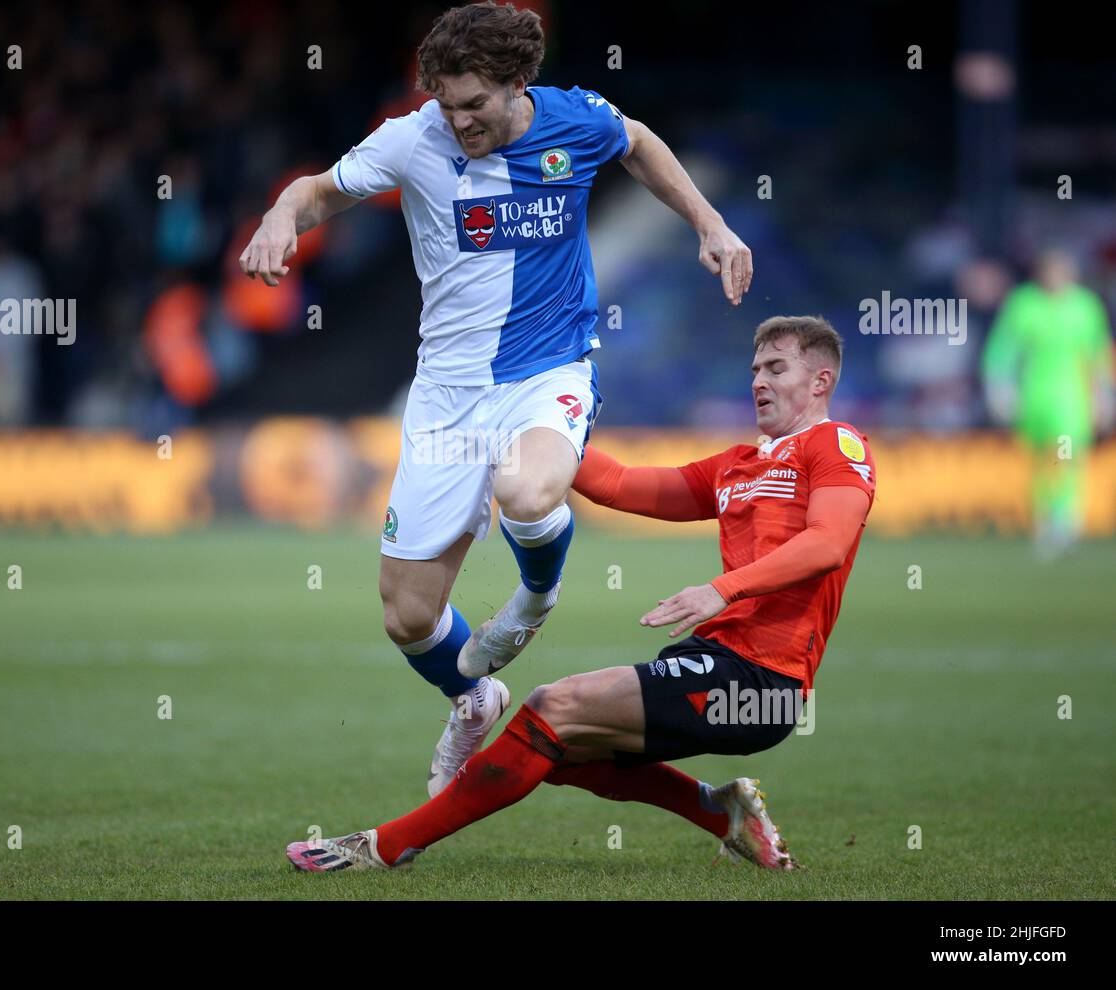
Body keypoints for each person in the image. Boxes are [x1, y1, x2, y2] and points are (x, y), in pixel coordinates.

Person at [241, 1, 752, 794]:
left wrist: (709, 224)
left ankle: (533, 599)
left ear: (520, 84)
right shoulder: (414, 139)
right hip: (446, 393)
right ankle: (474, 696)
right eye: (447, 104)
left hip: (547, 373)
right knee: (408, 616)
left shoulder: (577, 120)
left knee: (527, 488)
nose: (459, 121)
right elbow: (316, 191)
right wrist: (280, 219)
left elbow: (640, 144)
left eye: (474, 104)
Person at [285, 316, 877, 872]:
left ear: (821, 379)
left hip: (763, 685)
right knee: (558, 754)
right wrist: (527, 429)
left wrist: (721, 589)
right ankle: (717, 810)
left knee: (552, 707)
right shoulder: (737, 464)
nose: (758, 381)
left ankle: (383, 846)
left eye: (776, 368)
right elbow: (617, 485)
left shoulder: (837, 447)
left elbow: (827, 543)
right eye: (754, 369)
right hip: (712, 659)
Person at [982, 248, 1115, 558]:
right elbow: (1002, 349)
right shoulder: (1024, 304)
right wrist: (999, 388)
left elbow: (1099, 354)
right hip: (1034, 396)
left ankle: (1065, 518)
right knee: (1042, 459)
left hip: (1072, 398)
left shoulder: (1085, 306)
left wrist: (1105, 394)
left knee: (1067, 455)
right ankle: (1044, 519)